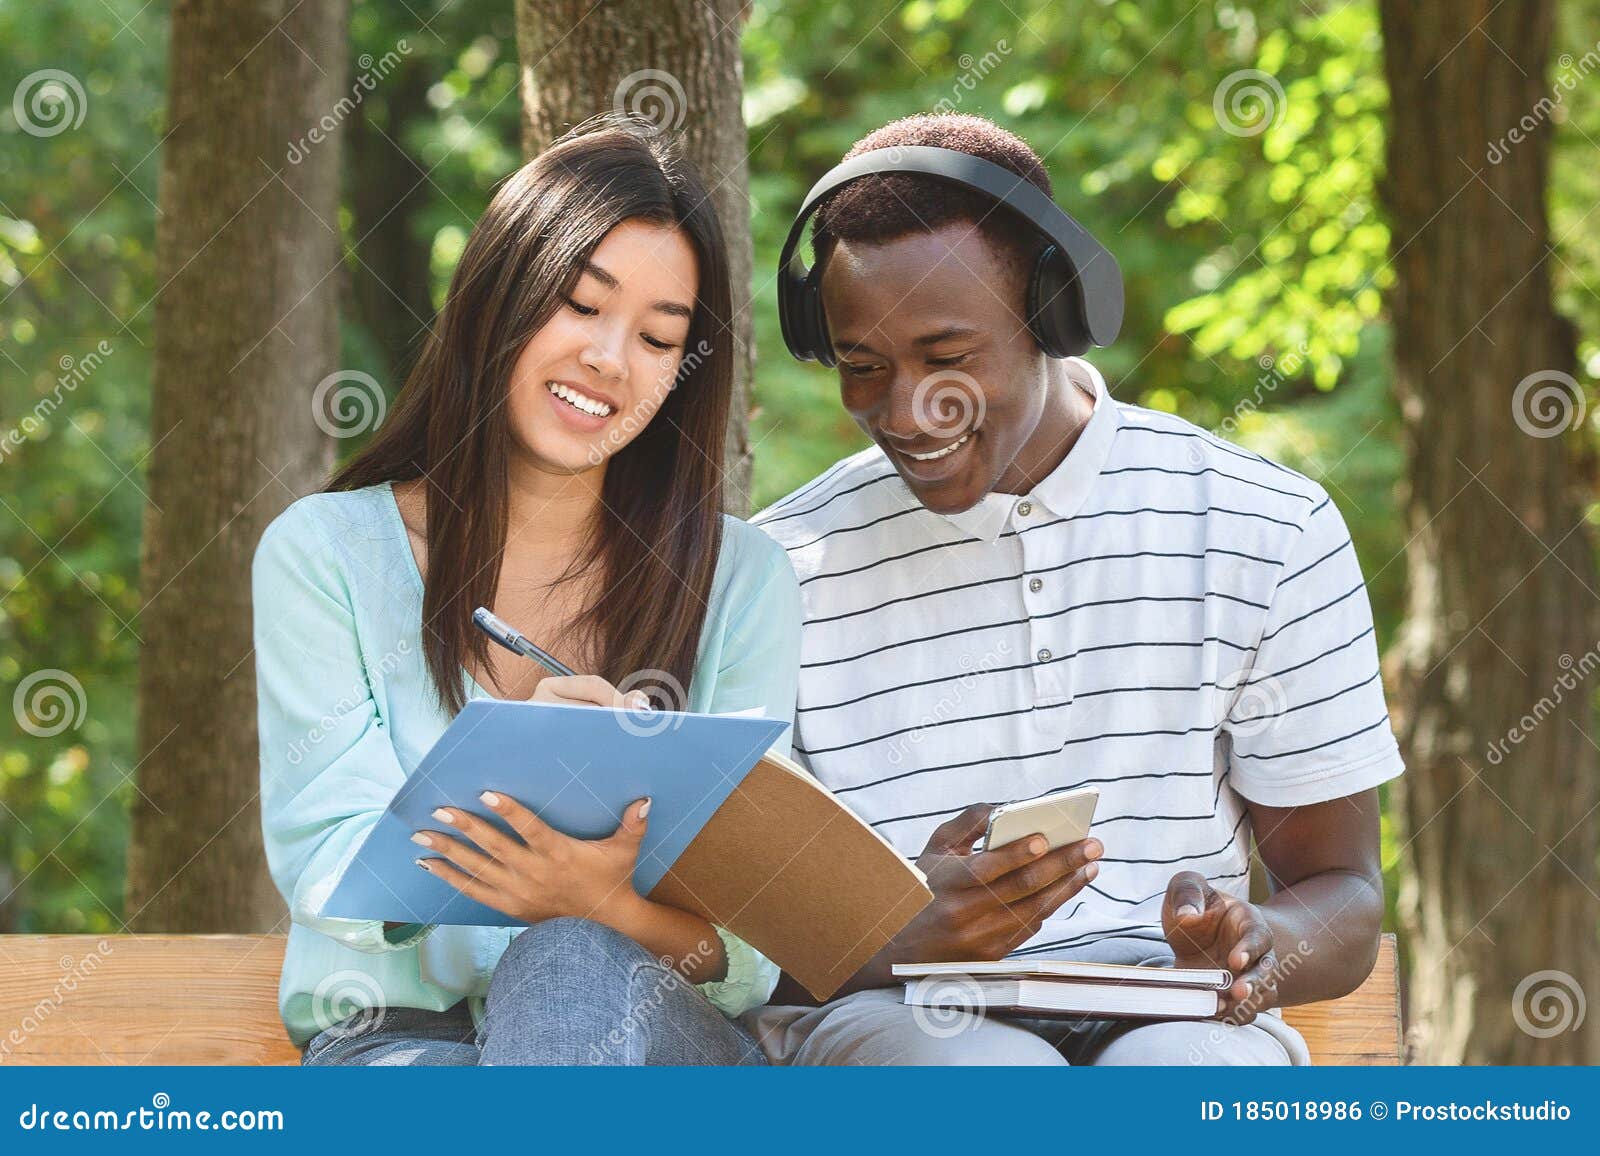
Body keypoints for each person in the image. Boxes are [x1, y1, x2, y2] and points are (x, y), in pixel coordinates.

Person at [747, 113, 1401, 1066]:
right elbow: (731, 949)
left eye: (948, 356)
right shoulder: (781, 566)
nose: (905, 410)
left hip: (1182, 1023)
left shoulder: (1271, 528)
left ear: (1052, 315)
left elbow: (1340, 889)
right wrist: (893, 933)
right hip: (902, 1029)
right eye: (862, 365)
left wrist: (1257, 943)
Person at [253, 115, 799, 1066]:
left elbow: (747, 946)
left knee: (571, 968)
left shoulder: (743, 580)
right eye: (581, 305)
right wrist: (528, 779)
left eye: (660, 338)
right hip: (399, 1046)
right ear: (500, 295)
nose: (610, 360)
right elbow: (333, 870)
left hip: (656, 1042)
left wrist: (599, 909)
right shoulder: (326, 555)